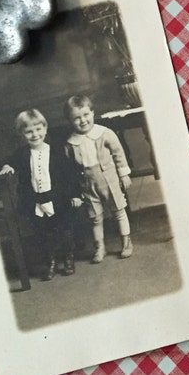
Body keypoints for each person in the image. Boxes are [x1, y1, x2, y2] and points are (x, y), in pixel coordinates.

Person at [0, 109, 78, 281]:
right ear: (22, 134)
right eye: (29, 131)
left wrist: (75, 195)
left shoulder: (56, 151)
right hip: (35, 201)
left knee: (64, 230)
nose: (35, 134)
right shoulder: (21, 154)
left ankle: (68, 258)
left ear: (45, 128)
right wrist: (7, 166)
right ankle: (51, 261)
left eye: (38, 129)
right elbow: (8, 161)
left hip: (58, 199)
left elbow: (70, 174)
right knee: (42, 234)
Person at [63, 95, 132, 263]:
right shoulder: (70, 143)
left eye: (86, 115)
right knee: (95, 217)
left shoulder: (104, 133)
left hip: (108, 179)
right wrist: (76, 192)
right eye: (77, 118)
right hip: (87, 183)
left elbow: (118, 154)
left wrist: (123, 174)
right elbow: (70, 169)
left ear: (93, 113)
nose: (83, 120)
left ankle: (126, 241)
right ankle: (100, 247)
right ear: (70, 121)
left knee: (118, 210)